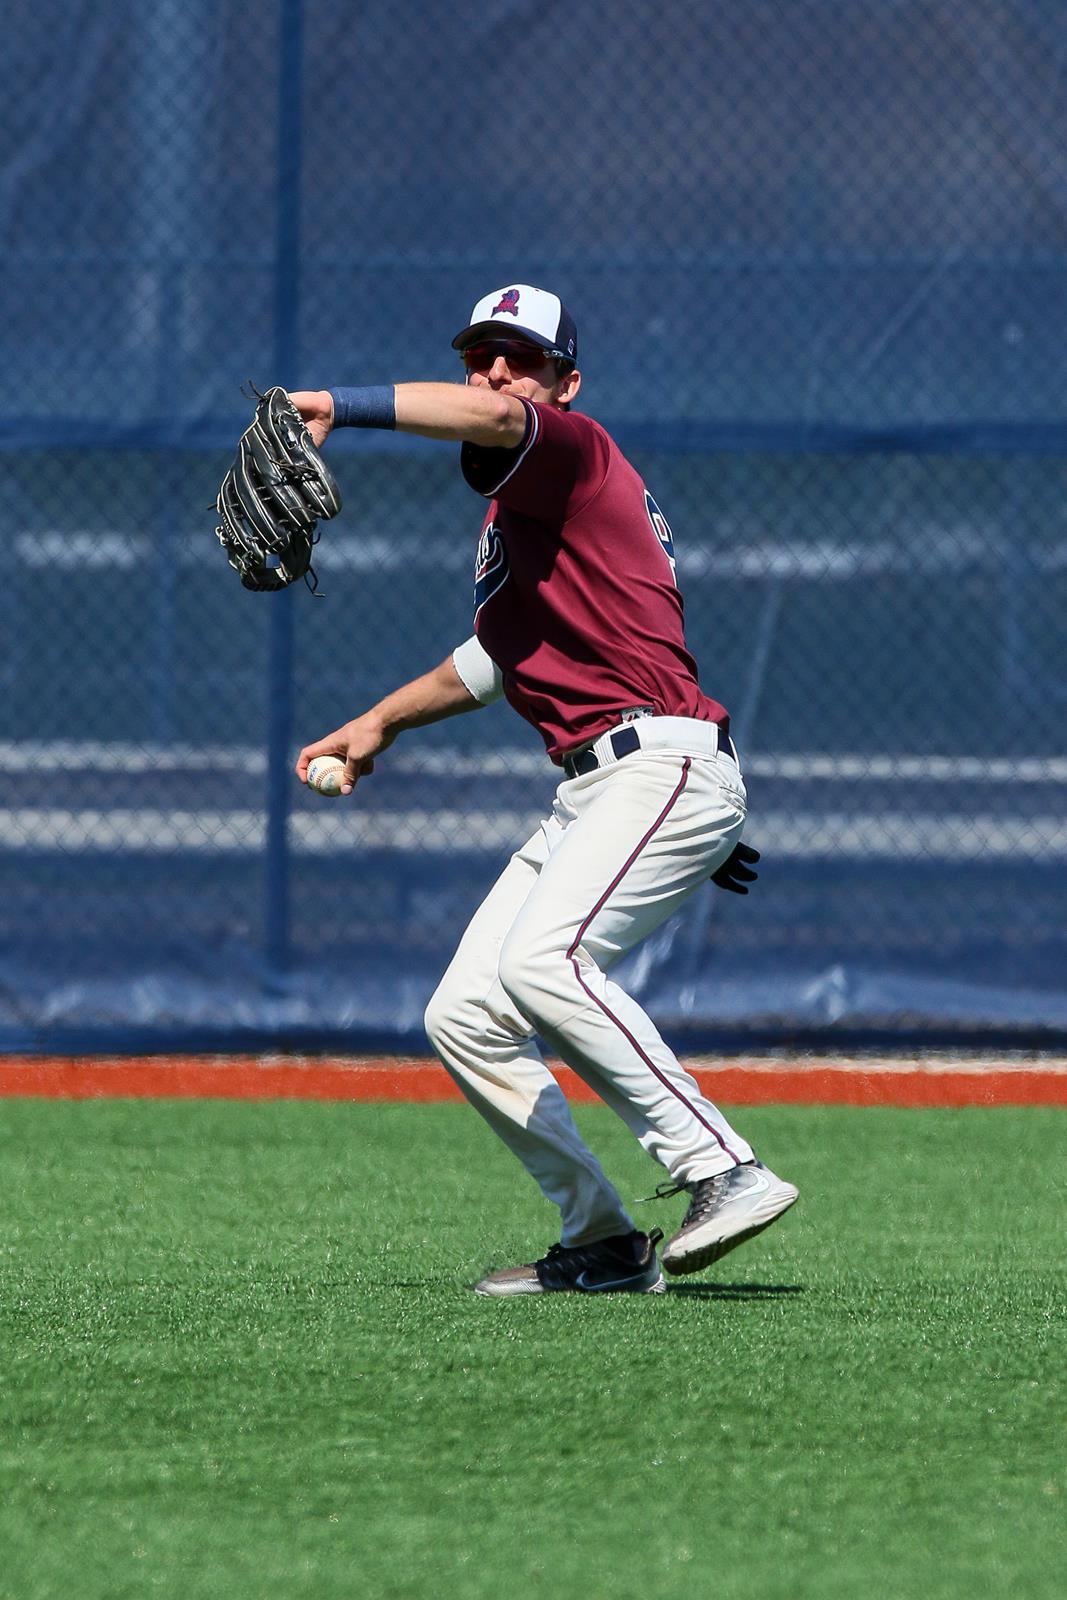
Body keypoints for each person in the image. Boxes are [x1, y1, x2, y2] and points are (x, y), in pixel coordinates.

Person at [291, 284, 798, 1296]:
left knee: (542, 959)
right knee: (465, 1014)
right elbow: (493, 657)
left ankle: (722, 1167)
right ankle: (604, 1240)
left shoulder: (570, 447)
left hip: (655, 762)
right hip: (604, 788)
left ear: (565, 381)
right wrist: (379, 720)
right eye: (481, 354)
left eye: (517, 358)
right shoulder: (527, 522)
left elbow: (490, 420)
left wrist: (340, 405)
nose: (494, 375)